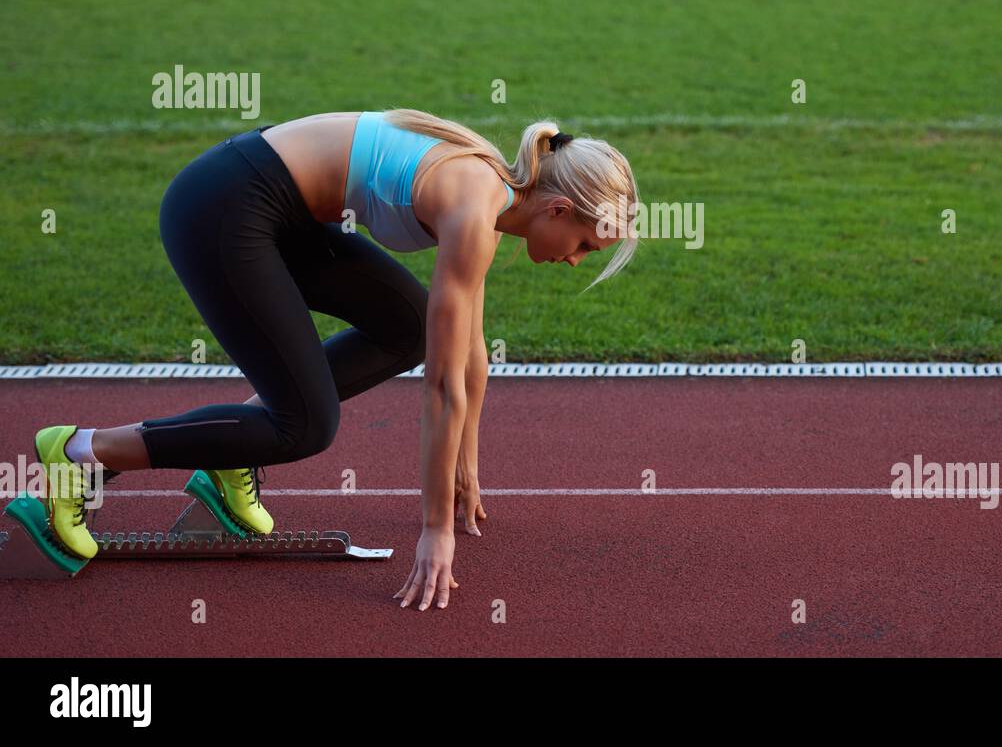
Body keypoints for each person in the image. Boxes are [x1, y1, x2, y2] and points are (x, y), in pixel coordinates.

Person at [32, 109, 639, 612]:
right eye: (586, 245)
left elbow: (470, 352)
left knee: (407, 327)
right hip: (223, 208)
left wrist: (466, 467)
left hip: (275, 211)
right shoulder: (474, 207)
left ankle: (229, 454)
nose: (577, 260)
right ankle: (82, 452)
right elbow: (442, 389)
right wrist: (435, 529)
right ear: (557, 210)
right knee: (304, 426)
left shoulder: (493, 193)